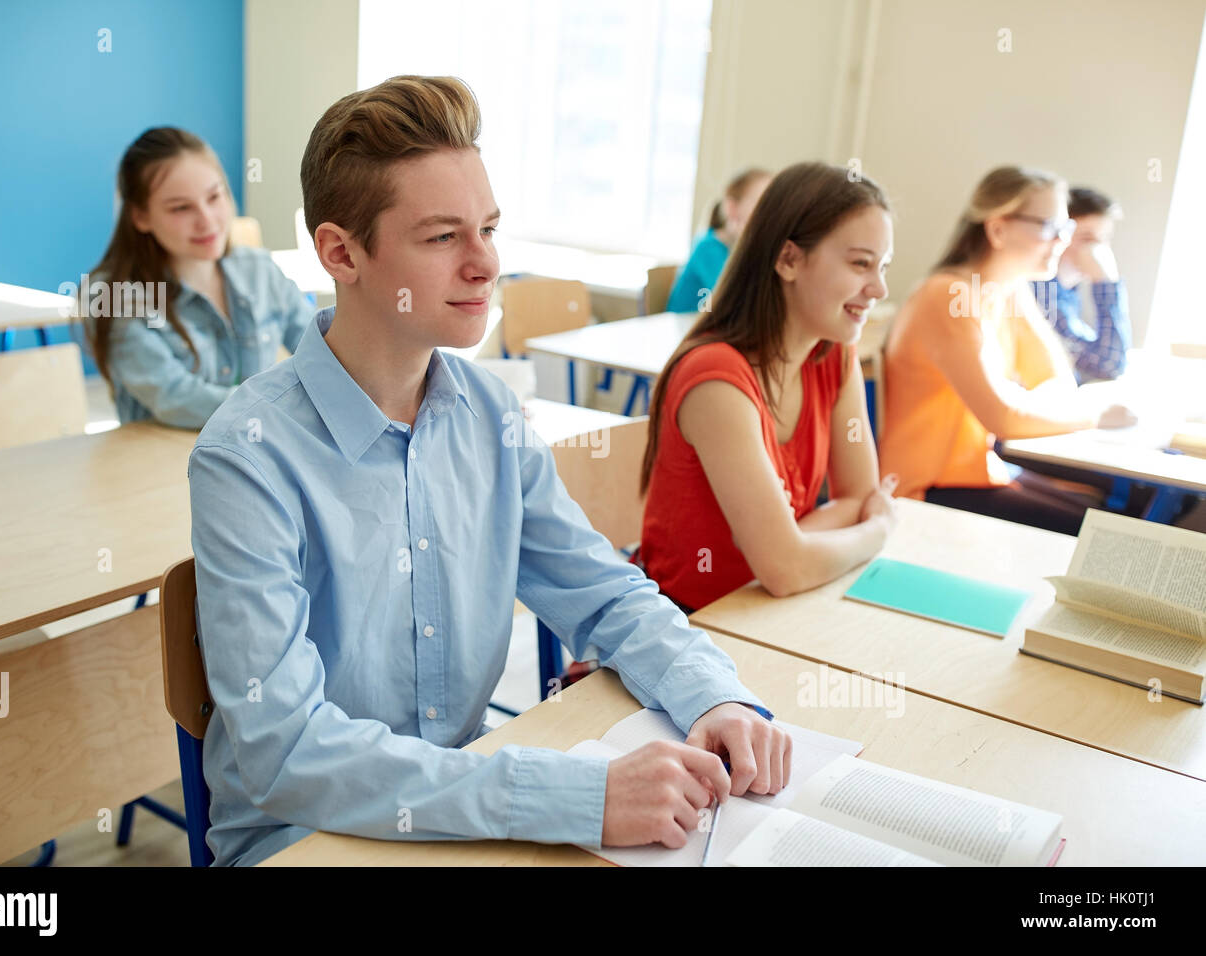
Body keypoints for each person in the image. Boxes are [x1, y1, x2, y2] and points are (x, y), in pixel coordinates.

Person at [187, 75, 792, 867]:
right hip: (302, 840)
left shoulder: (489, 412)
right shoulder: (248, 455)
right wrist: (576, 797)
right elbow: (285, 752)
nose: (485, 265)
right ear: (341, 252)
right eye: (443, 238)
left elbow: (605, 595)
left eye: (490, 229)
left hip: (457, 807)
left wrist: (711, 691)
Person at [638, 162, 898, 612]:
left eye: (882, 266)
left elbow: (857, 497)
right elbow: (784, 569)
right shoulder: (716, 378)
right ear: (788, 259)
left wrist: (785, 547)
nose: (877, 288)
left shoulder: (834, 354)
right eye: (860, 263)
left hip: (771, 609)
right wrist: (875, 530)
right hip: (693, 625)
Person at [880, 166, 1132, 536]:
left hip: (980, 470)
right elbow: (1003, 418)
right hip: (926, 487)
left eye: (1065, 229)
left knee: (1108, 522)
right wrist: (1094, 416)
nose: (1062, 241)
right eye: (1049, 227)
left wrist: (1021, 403)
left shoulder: (1010, 289)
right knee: (1106, 536)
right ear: (997, 229)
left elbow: (1057, 380)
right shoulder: (948, 296)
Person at [84, 127, 314, 429]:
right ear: (140, 216)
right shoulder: (113, 296)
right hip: (162, 466)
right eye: (181, 208)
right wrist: (284, 405)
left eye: (214, 196)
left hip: (257, 452)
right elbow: (177, 400)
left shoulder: (258, 269)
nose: (207, 220)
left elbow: (322, 352)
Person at [1031, 186, 1130, 383]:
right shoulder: (1040, 291)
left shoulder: (1067, 291)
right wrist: (1106, 282)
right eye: (1087, 239)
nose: (1097, 250)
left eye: (1104, 240)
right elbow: (1110, 364)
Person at [665, 168, 772, 313]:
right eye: (762, 204)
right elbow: (736, 302)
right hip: (687, 329)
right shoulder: (708, 248)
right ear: (732, 208)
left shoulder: (736, 251)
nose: (770, 213)